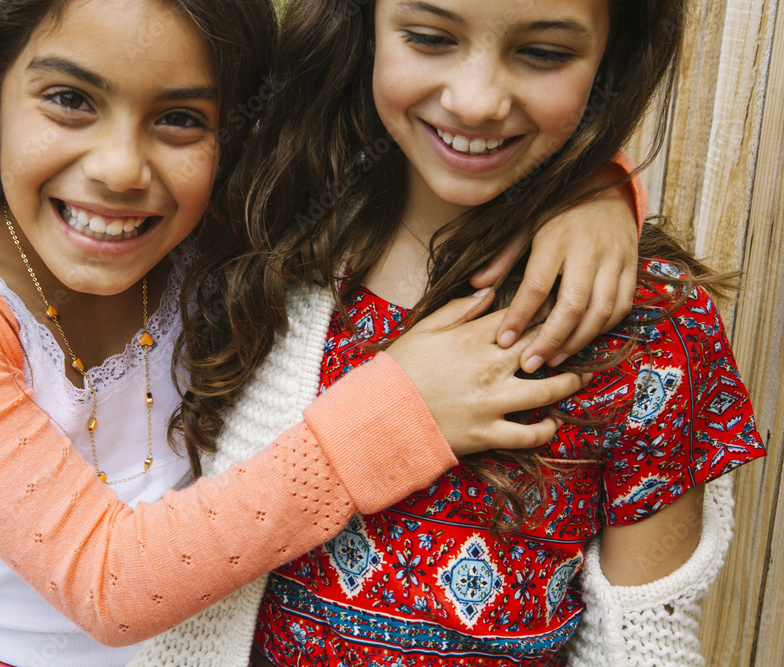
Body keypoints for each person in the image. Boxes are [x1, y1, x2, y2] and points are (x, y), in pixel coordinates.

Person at [0, 0, 645, 666]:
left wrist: (594, 191)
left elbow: (444, 147)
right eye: (70, 99)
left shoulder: (223, 228)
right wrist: (402, 410)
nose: (121, 168)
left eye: (180, 120)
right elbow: (109, 579)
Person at [133, 0, 767, 665]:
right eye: (432, 37)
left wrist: (601, 183)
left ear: (614, 55)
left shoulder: (647, 322)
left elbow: (644, 643)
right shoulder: (271, 232)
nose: (476, 102)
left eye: (544, 53)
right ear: (363, 24)